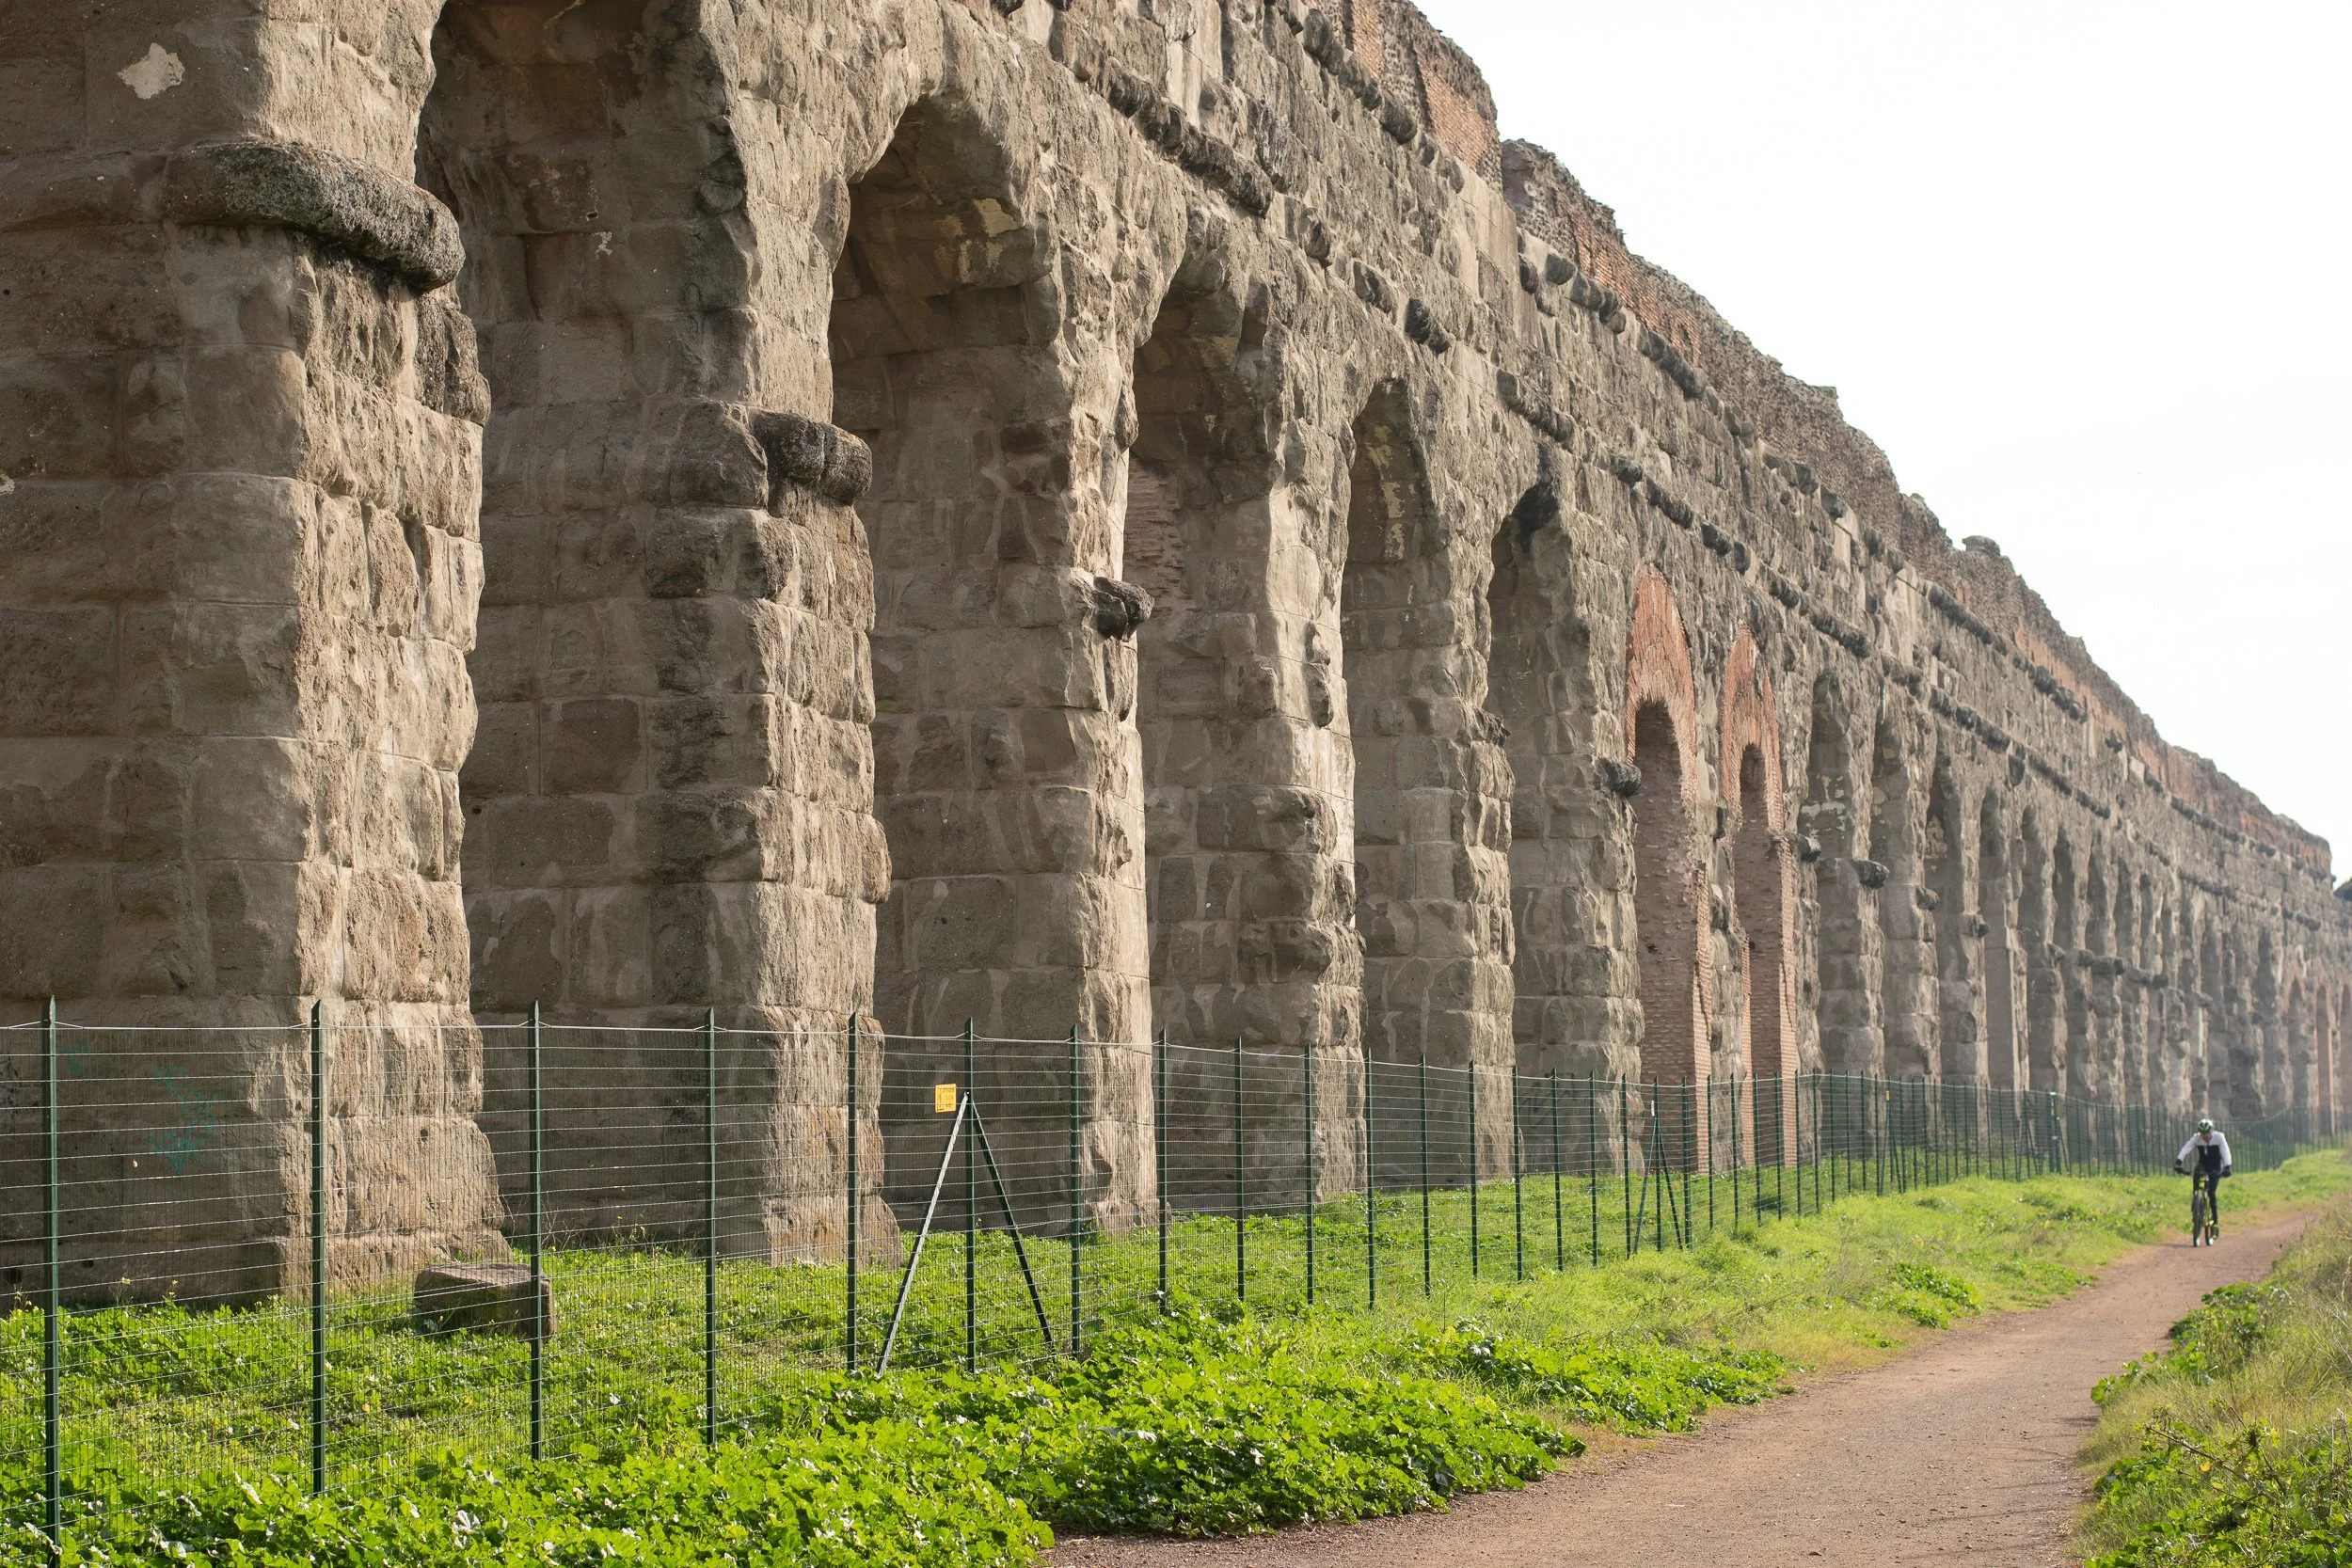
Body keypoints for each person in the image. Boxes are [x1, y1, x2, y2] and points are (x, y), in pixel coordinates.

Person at [2175, 1119, 2232, 1239]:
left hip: (2215, 1166)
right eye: (2202, 1133)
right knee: (2196, 1178)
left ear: (2212, 1130)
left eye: (2207, 1132)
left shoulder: (2219, 1137)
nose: (2205, 1135)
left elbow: (2225, 1151)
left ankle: (2215, 1223)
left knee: (2211, 1192)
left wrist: (2227, 1167)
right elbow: (2186, 1148)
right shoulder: (2197, 1138)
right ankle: (2196, 1206)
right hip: (2203, 1165)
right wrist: (2178, 1162)